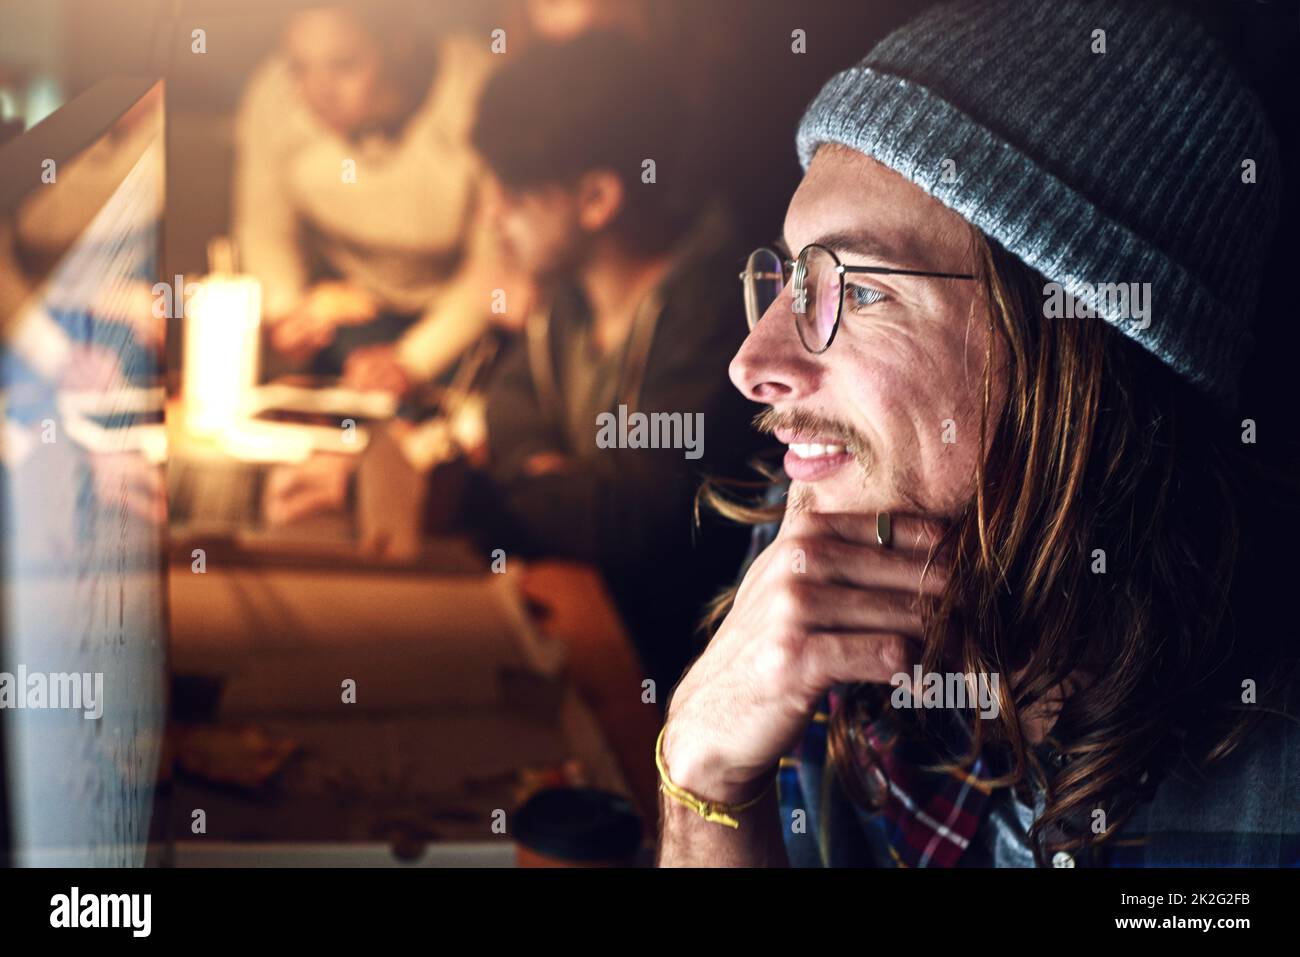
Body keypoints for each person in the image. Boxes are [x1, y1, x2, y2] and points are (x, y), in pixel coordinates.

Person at [657, 0, 1298, 867]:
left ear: (1076, 351)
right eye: (788, 281)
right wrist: (704, 780)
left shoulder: (1270, 767)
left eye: (859, 289)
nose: (751, 361)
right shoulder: (815, 544)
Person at [465, 33, 766, 696]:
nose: (491, 218)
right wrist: (556, 482)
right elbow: (510, 405)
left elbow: (636, 517)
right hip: (589, 620)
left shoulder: (719, 311)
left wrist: (471, 500)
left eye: (515, 194)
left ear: (597, 198)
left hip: (677, 673)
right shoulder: (567, 298)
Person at [233, 1, 518, 389]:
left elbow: (496, 267)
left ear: (398, 46)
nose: (318, 91)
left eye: (345, 65)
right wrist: (287, 311)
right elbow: (265, 231)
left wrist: (412, 359)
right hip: (355, 319)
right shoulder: (274, 96)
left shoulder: (481, 93)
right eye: (300, 67)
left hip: (466, 322)